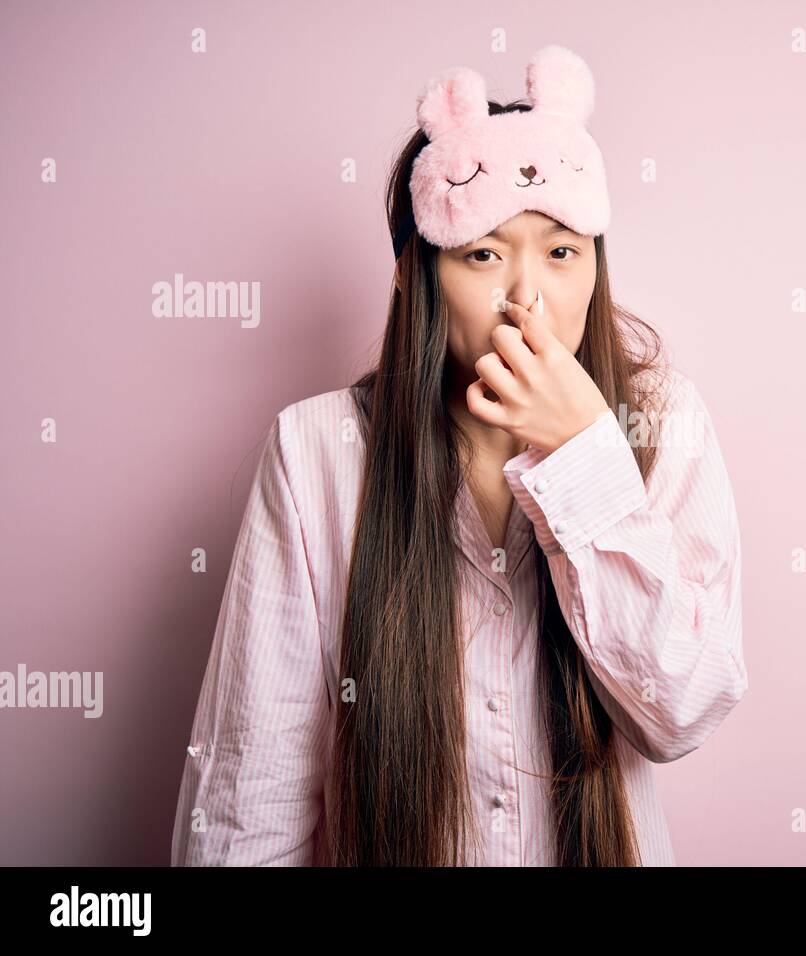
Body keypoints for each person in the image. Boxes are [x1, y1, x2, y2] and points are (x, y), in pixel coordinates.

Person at [170, 44, 747, 867]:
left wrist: (585, 458)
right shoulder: (316, 454)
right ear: (417, 276)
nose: (528, 298)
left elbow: (683, 706)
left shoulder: (663, 424)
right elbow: (250, 796)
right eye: (482, 253)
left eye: (561, 251)